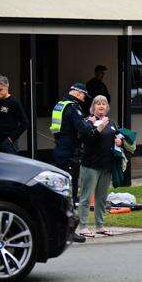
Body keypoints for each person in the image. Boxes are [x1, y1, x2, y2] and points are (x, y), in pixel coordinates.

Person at [50, 83, 99, 243]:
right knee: (70, 192)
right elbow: (82, 128)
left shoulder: (60, 105)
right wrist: (91, 122)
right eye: (84, 95)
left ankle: (57, 229)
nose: (84, 99)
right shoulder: (73, 107)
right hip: (70, 153)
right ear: (78, 93)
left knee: (60, 190)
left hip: (59, 151)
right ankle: (68, 232)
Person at [76, 96, 120, 238]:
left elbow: (115, 135)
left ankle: (100, 226)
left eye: (104, 104)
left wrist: (119, 140)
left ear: (107, 107)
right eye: (98, 104)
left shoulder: (111, 122)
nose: (101, 106)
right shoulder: (88, 122)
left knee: (101, 197)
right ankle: (83, 227)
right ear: (93, 107)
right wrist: (99, 127)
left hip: (106, 165)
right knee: (86, 197)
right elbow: (86, 139)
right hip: (90, 165)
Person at [0, 76, 29, 154]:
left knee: (11, 165)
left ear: (7, 87)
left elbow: (25, 123)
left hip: (10, 144)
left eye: (1, 89)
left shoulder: (14, 102)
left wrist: (11, 139)